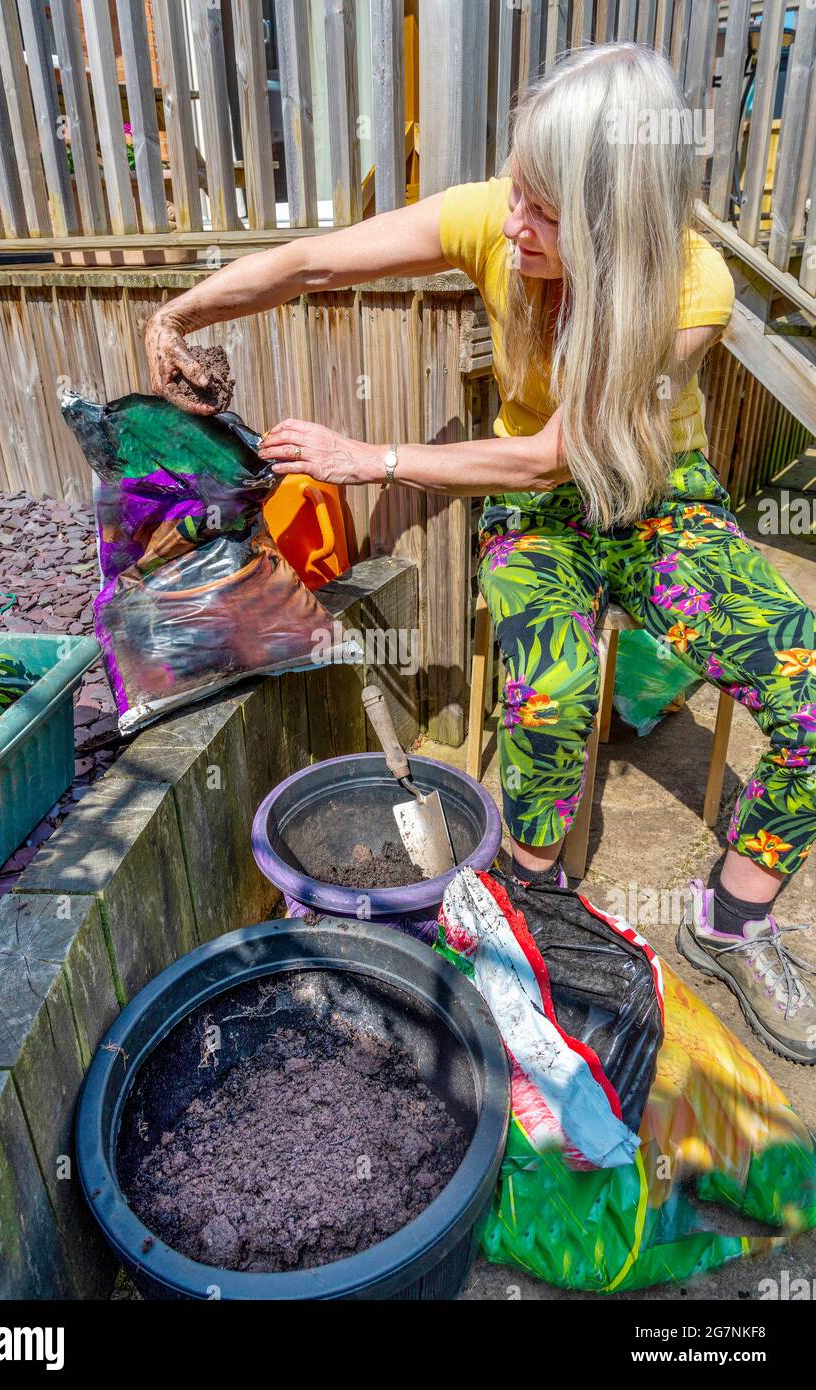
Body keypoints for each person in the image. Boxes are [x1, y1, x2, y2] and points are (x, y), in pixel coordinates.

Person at [145, 42, 816, 1064]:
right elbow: (313, 257)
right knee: (549, 687)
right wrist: (185, 307)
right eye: (518, 188)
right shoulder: (492, 218)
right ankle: (534, 913)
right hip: (533, 518)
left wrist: (369, 458)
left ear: (614, 216)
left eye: (543, 208)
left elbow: (562, 451)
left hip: (650, 503)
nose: (511, 220)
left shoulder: (694, 287)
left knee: (812, 695)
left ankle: (729, 919)